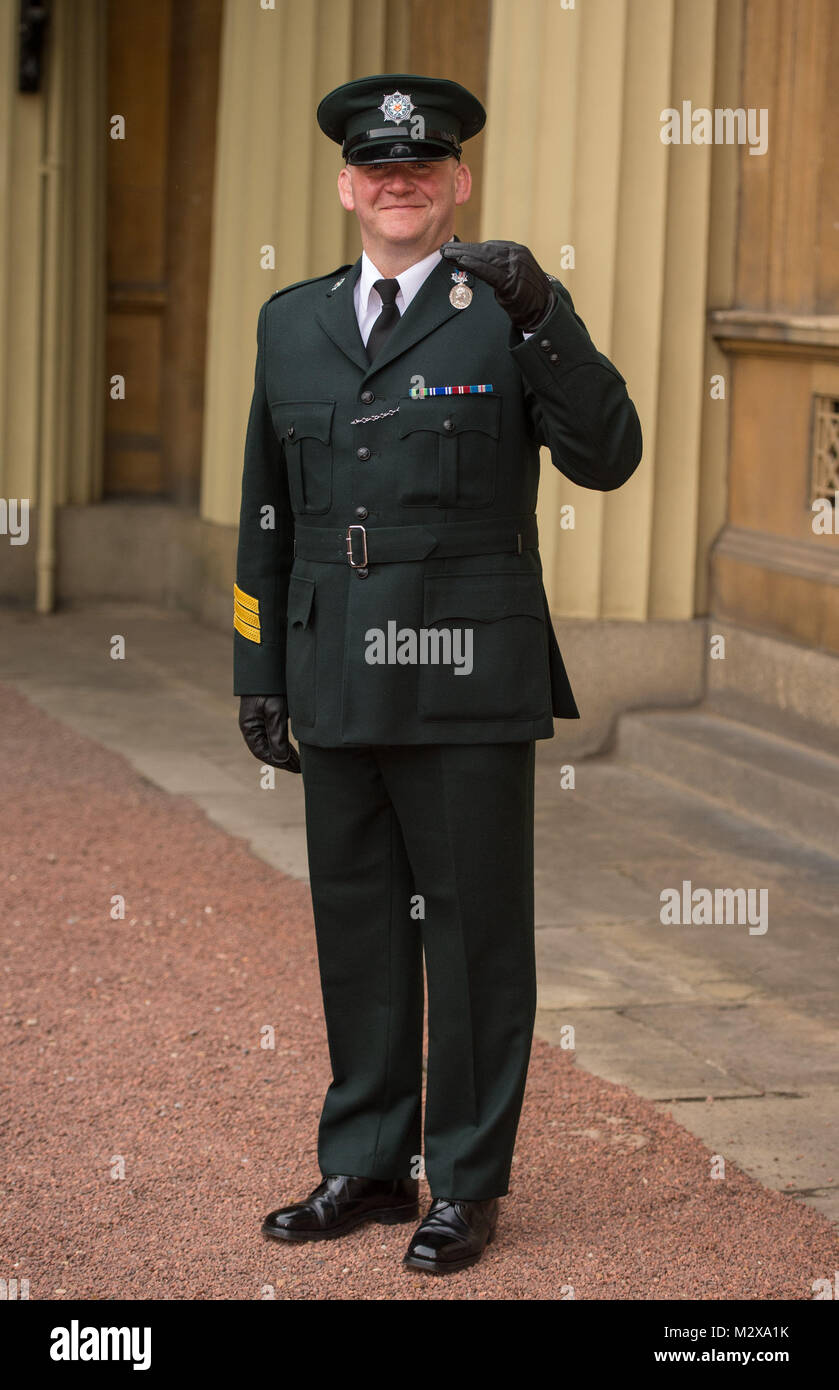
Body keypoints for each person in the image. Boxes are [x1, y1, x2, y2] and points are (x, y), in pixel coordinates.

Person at [234, 73, 642, 1275]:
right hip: (332, 664)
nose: (397, 182)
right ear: (348, 186)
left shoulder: (504, 311)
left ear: (456, 183)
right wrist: (258, 662)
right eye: (376, 168)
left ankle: (465, 1181)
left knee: (469, 932)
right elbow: (267, 503)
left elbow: (608, 453)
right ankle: (364, 1161)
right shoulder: (289, 320)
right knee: (356, 919)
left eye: (422, 167)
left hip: (465, 668)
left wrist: (546, 313)